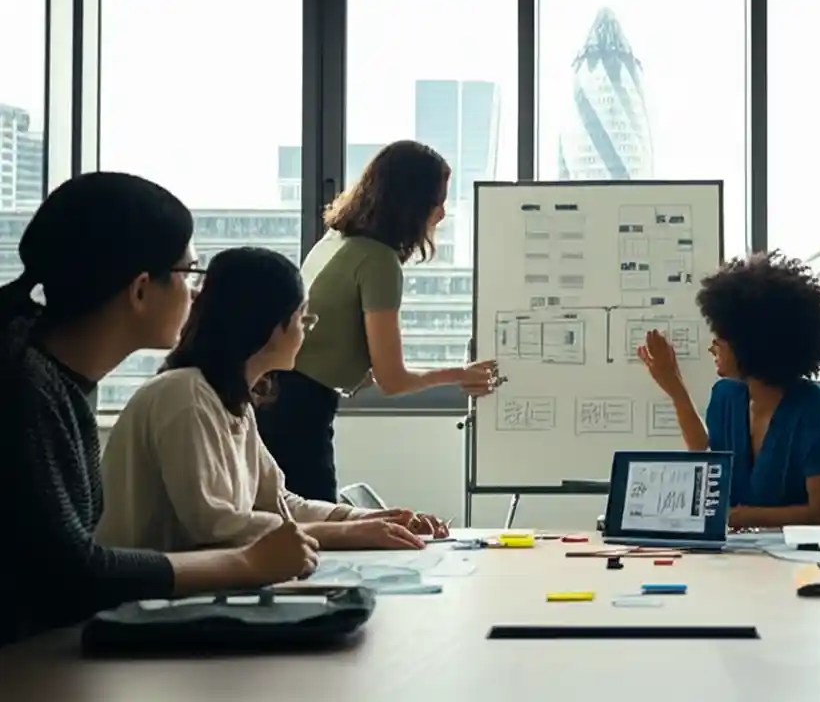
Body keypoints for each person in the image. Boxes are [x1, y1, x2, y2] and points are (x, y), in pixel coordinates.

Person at [0, 173, 317, 647]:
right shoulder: (27, 387)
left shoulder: (55, 381)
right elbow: (71, 574)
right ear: (141, 290)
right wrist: (246, 564)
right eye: (189, 274)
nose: (196, 295)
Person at [97, 247, 452, 554]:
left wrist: (367, 519)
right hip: (145, 600)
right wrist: (345, 533)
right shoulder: (185, 395)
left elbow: (280, 503)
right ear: (270, 325)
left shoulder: (232, 402)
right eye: (301, 318)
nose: (305, 331)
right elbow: (216, 527)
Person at [256, 140, 498, 502]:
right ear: (411, 204)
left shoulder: (336, 240)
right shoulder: (379, 261)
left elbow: (332, 336)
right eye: (437, 202)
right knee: (317, 520)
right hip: (300, 409)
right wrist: (460, 374)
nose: (442, 214)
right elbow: (393, 380)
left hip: (274, 397)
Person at [637, 251, 820, 528]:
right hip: (735, 550)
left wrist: (742, 516)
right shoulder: (726, 396)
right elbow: (705, 457)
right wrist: (674, 388)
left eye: (720, 340)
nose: (712, 348)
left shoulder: (818, 409)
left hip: (793, 554)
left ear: (751, 344)